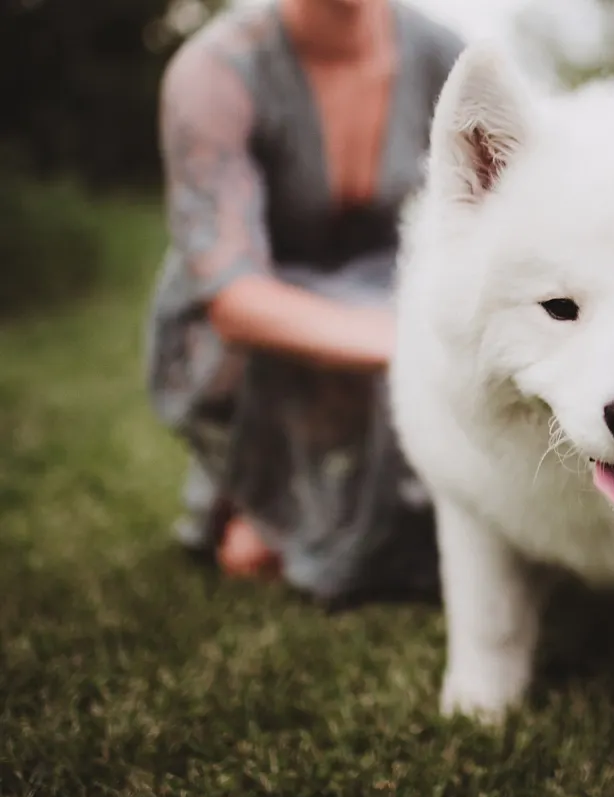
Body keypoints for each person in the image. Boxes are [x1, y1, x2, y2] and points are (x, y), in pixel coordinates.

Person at [143, 0, 464, 606]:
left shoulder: (445, 56)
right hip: (251, 320)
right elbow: (235, 298)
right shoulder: (216, 69)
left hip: (384, 290)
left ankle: (288, 514)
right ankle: (268, 503)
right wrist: (407, 341)